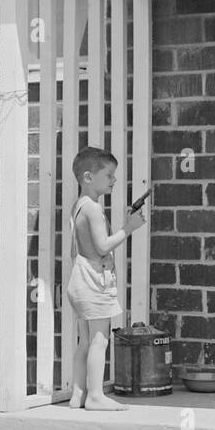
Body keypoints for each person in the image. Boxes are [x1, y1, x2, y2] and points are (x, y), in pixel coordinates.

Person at [65, 146, 146, 411]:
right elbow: (102, 247)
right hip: (95, 281)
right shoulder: (94, 209)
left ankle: (78, 394)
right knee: (100, 339)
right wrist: (129, 228)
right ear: (88, 177)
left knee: (85, 341)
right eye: (109, 175)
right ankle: (96, 396)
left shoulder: (78, 206)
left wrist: (122, 224)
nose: (114, 180)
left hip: (79, 280)